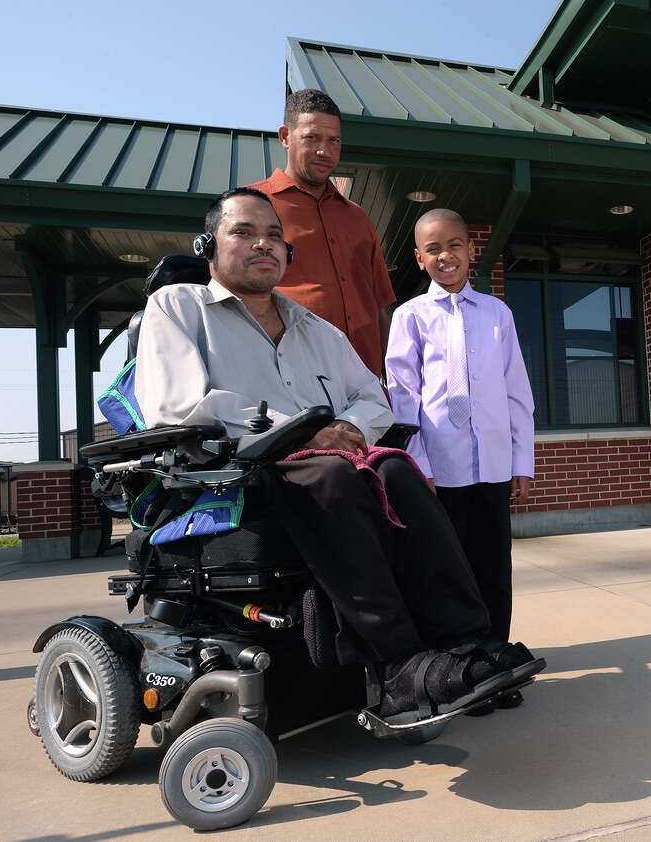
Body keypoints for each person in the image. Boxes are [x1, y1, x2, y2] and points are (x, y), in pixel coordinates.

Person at [135, 187, 538, 724]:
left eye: (275, 236)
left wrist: (347, 426)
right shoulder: (179, 307)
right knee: (332, 474)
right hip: (238, 473)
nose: (263, 244)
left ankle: (464, 643)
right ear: (209, 245)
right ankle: (399, 664)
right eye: (245, 233)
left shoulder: (311, 327)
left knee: (395, 465)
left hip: (329, 461)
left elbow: (373, 396)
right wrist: (303, 434)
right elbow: (177, 405)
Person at [385, 208, 535, 711]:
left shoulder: (497, 314)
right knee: (451, 570)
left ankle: (498, 663)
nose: (445, 256)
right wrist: (418, 463)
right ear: (418, 258)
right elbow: (404, 396)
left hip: (492, 464)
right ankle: (462, 671)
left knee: (493, 568)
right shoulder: (410, 317)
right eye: (433, 249)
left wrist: (521, 460)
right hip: (439, 471)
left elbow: (517, 391)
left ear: (471, 249)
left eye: (454, 245)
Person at [249, 89, 395, 378]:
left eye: (334, 141)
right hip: (288, 386)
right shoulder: (250, 208)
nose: (324, 152)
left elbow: (379, 308)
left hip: (364, 391)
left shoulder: (358, 217)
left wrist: (397, 382)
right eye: (312, 138)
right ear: (285, 136)